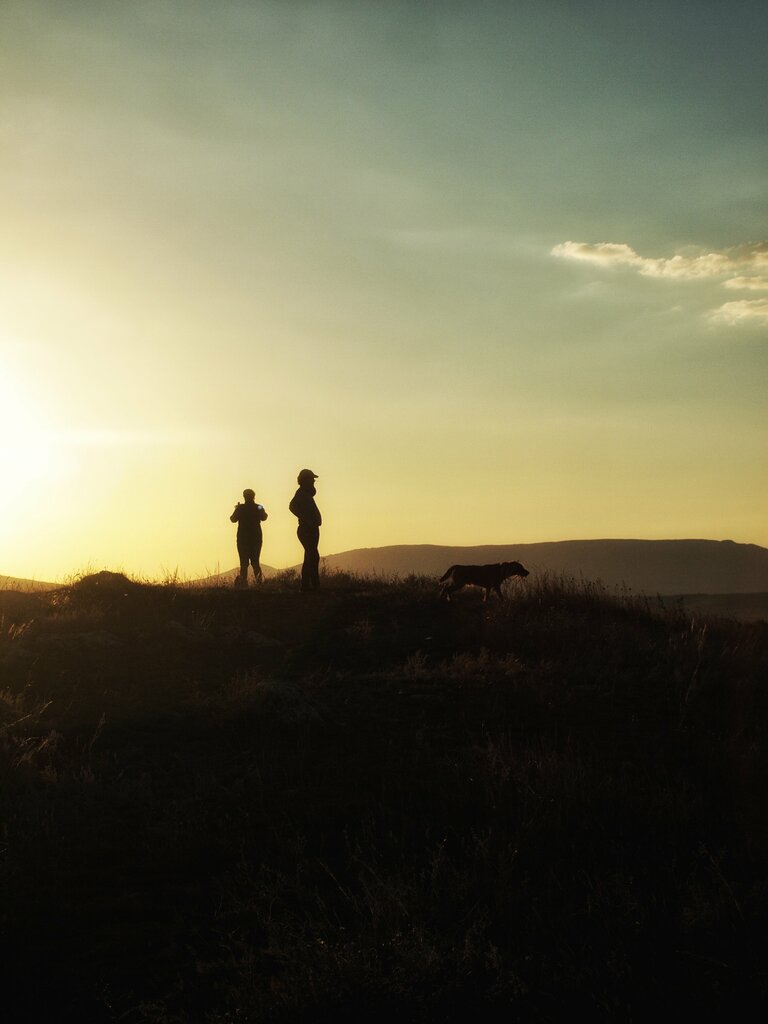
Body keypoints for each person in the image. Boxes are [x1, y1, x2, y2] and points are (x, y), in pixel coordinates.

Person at [289, 468, 321, 591]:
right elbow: (292, 506)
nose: (313, 481)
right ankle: (310, 585)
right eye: (311, 478)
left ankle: (308, 586)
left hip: (311, 528)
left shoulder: (305, 493)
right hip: (306, 529)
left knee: (311, 556)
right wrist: (306, 519)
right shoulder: (301, 493)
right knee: (312, 555)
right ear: (305, 480)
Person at [230, 488, 268, 587]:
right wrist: (261, 508)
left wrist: (237, 508)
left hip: (243, 539)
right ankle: (259, 584)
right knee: (255, 562)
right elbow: (264, 517)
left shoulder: (240, 508)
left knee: (244, 563)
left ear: (244, 496)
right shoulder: (258, 507)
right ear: (253, 496)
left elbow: (232, 519)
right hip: (256, 538)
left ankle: (243, 584)